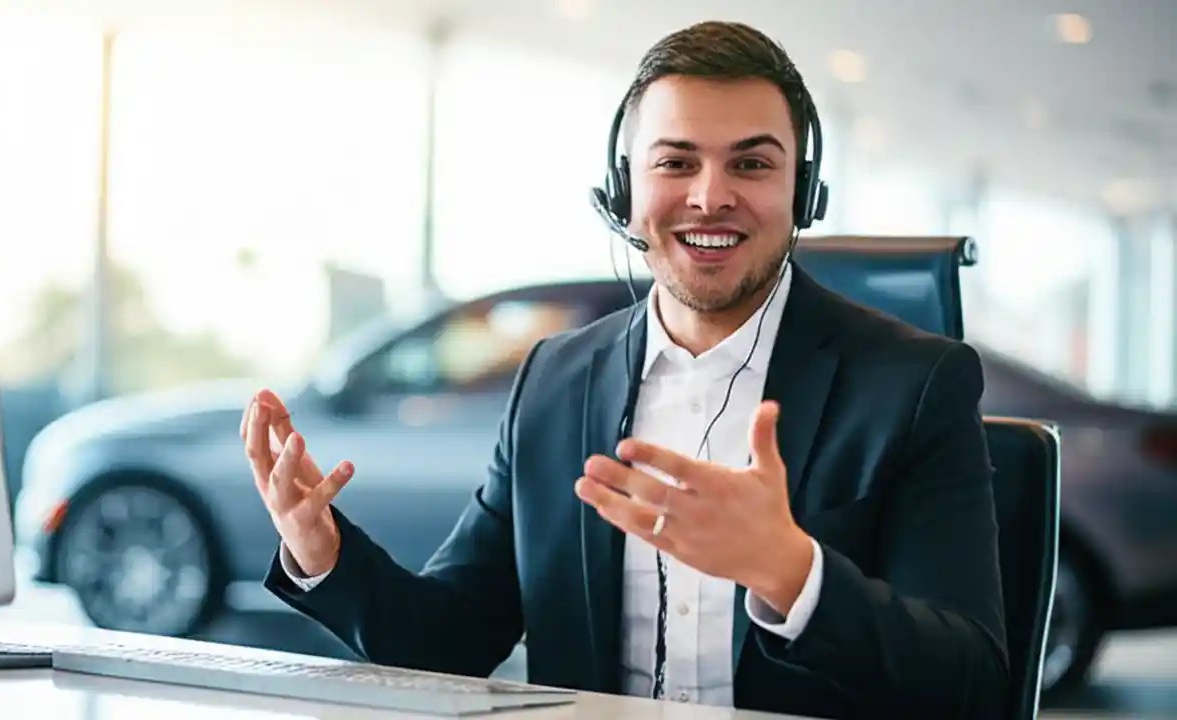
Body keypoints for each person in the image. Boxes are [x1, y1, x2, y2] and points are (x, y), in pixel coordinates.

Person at [243, 20, 1007, 719]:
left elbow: (971, 685)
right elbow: (450, 642)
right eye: (676, 162)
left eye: (751, 163)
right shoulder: (555, 381)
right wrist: (323, 552)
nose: (711, 196)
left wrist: (790, 572)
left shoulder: (915, 385)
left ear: (803, 194)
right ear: (623, 192)